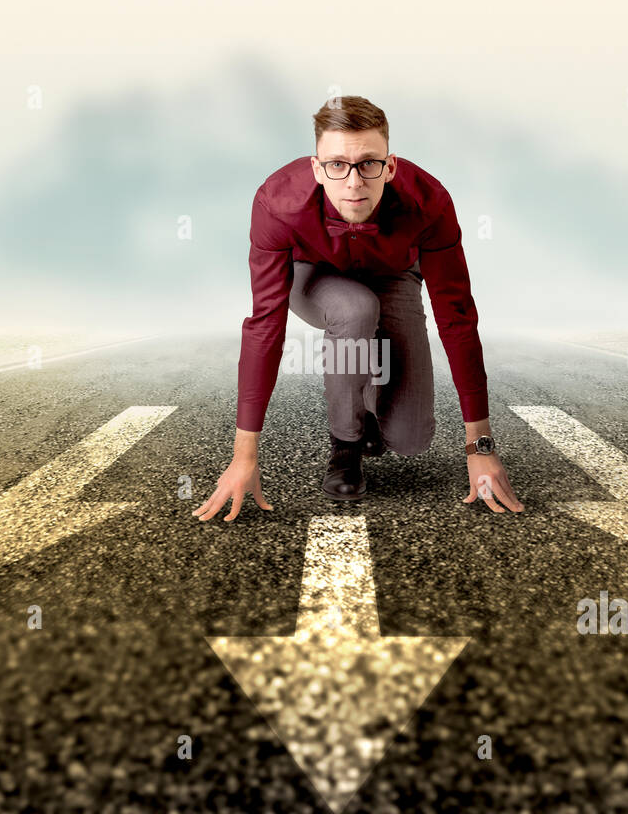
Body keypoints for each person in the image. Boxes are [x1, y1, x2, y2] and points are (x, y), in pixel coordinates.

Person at [194, 95, 524, 520]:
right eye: (337, 165)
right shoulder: (277, 202)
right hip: (313, 273)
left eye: (368, 164)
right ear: (317, 168)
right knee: (354, 308)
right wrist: (244, 457)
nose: (353, 183)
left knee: (411, 439)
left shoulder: (430, 202)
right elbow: (264, 325)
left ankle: (369, 413)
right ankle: (345, 444)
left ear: (390, 167)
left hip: (394, 274)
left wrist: (481, 447)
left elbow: (457, 317)